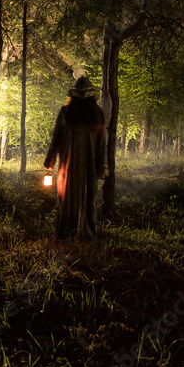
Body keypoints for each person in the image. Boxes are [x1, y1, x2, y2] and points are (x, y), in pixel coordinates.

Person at [44, 70, 108, 240]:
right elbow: (57, 136)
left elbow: (101, 141)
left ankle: (84, 235)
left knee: (86, 199)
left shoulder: (93, 113)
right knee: (67, 199)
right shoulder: (67, 112)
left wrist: (102, 165)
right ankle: (67, 233)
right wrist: (50, 159)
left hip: (85, 164)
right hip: (69, 166)